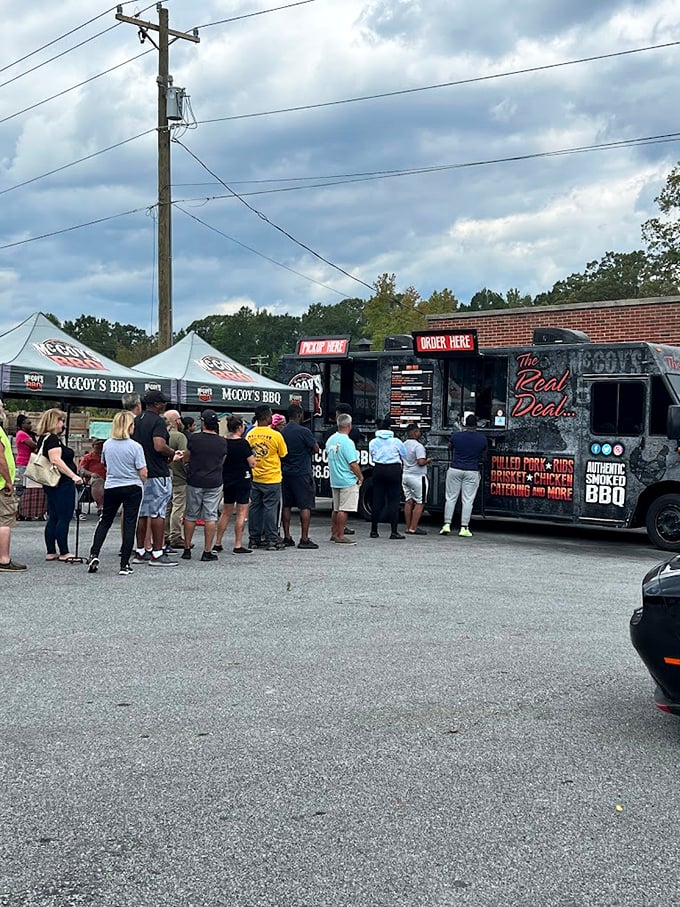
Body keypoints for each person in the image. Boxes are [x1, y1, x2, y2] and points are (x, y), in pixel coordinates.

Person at [86, 411, 147, 576]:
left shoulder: (107, 445)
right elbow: (143, 471)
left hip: (112, 485)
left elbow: (105, 464)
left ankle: (94, 553)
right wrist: (143, 481)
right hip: (132, 486)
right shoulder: (135, 447)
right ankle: (124, 564)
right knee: (129, 523)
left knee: (105, 520)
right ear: (129, 426)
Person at [132, 389, 181, 566]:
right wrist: (172, 452)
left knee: (142, 513)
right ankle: (158, 553)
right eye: (163, 402)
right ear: (156, 404)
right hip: (157, 472)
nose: (164, 405)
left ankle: (140, 551)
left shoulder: (137, 420)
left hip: (140, 472)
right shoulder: (158, 421)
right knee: (158, 513)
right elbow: (159, 445)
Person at [36, 408, 85, 562]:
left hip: (51, 483)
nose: (63, 424)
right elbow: (56, 460)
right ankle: (64, 551)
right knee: (64, 516)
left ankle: (51, 550)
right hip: (62, 483)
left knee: (54, 516)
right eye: (61, 421)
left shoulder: (44, 438)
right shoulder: (53, 439)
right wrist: (73, 475)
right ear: (54, 422)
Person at [180, 409, 228, 561]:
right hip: (214, 481)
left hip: (195, 480)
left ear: (203, 423)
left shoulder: (194, 438)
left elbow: (186, 457)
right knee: (210, 516)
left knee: (191, 515)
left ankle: (187, 548)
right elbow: (222, 460)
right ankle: (207, 551)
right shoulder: (222, 441)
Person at [247, 405, 288, 551]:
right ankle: (271, 538)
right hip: (272, 477)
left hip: (255, 476)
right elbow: (283, 454)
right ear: (266, 417)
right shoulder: (276, 435)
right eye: (270, 415)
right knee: (271, 508)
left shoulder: (250, 434)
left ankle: (254, 538)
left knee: (255, 507)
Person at [214, 415, 256, 555]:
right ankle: (238, 544)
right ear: (239, 427)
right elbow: (252, 463)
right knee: (241, 512)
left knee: (226, 511)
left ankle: (218, 542)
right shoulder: (243, 444)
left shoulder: (223, 442)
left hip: (227, 478)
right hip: (242, 478)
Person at [440, 414, 488, 538]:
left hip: (455, 468)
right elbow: (484, 454)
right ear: (476, 425)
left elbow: (449, 447)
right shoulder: (482, 438)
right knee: (467, 500)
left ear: (465, 423)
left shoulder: (456, 436)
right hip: (472, 470)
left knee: (451, 498)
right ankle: (464, 527)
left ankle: (446, 524)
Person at [281, 404, 320, 549]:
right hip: (302, 472)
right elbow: (316, 448)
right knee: (305, 505)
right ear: (299, 415)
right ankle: (304, 538)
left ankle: (287, 536)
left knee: (286, 505)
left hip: (285, 472)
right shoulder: (304, 431)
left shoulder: (282, 432)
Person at [326, 412, 363, 545]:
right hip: (347, 479)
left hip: (335, 478)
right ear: (349, 425)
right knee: (344, 509)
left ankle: (334, 533)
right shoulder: (347, 442)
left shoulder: (331, 440)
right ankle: (340, 535)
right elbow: (352, 463)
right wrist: (360, 476)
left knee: (336, 508)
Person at [368, 418, 407, 540]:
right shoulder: (396, 441)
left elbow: (372, 455)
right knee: (393, 501)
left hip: (378, 469)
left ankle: (374, 530)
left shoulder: (373, 442)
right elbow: (404, 454)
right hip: (394, 469)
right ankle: (394, 532)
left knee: (377, 499)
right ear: (390, 428)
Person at [0, 401, 26, 570]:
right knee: (5, 520)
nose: (4, 409)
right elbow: (0, 458)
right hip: (1, 484)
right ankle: (4, 559)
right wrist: (8, 480)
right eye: (2, 407)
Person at [164, 409, 188, 549]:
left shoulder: (161, 435)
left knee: (166, 508)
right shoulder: (180, 437)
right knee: (178, 508)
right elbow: (185, 458)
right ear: (177, 421)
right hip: (179, 478)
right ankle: (176, 536)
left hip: (165, 477)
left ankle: (164, 535)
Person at [402, 423, 432, 535]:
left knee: (408, 501)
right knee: (420, 502)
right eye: (418, 431)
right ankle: (413, 528)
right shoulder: (418, 446)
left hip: (405, 475)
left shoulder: (403, 444)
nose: (420, 433)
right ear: (414, 432)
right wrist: (428, 460)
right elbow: (420, 462)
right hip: (418, 477)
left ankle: (408, 527)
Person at [79, 438, 106, 515]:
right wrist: (91, 474)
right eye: (98, 446)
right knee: (98, 481)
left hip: (108, 477)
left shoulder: (107, 456)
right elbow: (81, 470)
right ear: (93, 446)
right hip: (94, 477)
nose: (99, 448)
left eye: (101, 446)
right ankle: (100, 506)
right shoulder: (88, 457)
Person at [14, 415, 37, 493]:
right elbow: (34, 445)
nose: (31, 425)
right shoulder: (22, 434)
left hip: (27, 462)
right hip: (24, 462)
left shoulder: (25, 434)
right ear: (23, 424)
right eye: (28, 423)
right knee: (23, 485)